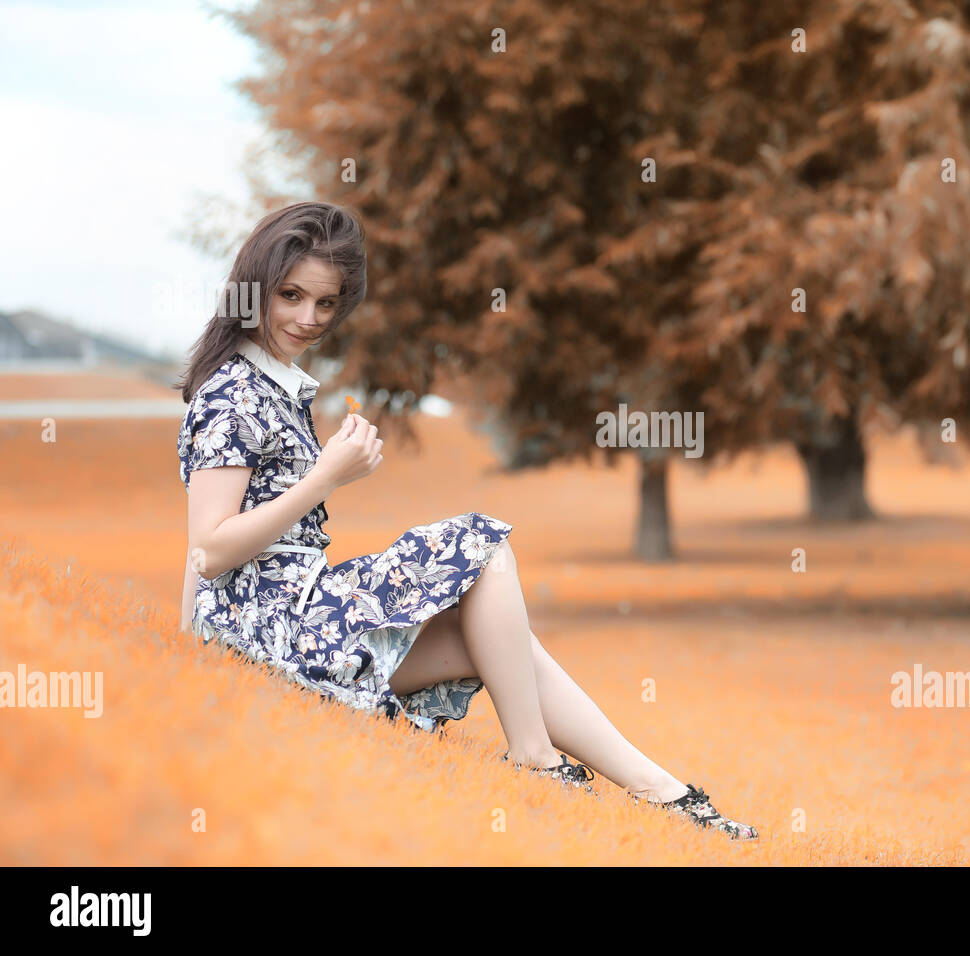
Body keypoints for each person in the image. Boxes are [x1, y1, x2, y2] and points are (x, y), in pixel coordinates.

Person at [174, 200, 758, 841]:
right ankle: (536, 759)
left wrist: (187, 640)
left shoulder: (272, 383)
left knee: (498, 642)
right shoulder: (232, 393)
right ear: (254, 285)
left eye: (326, 304)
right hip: (273, 629)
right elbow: (208, 548)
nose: (308, 319)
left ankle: (665, 794)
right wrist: (326, 476)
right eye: (290, 296)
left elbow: (198, 545)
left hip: (293, 616)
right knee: (481, 545)